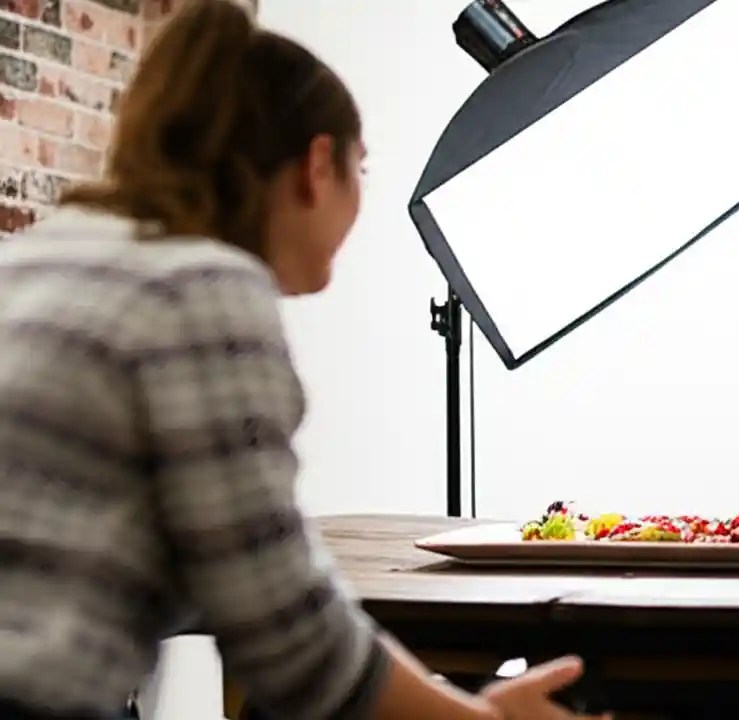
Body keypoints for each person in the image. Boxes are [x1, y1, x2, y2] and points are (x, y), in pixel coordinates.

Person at [0, 1, 607, 719]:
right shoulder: (201, 290)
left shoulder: (43, 258)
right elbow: (292, 646)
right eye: (363, 167)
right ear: (319, 165)